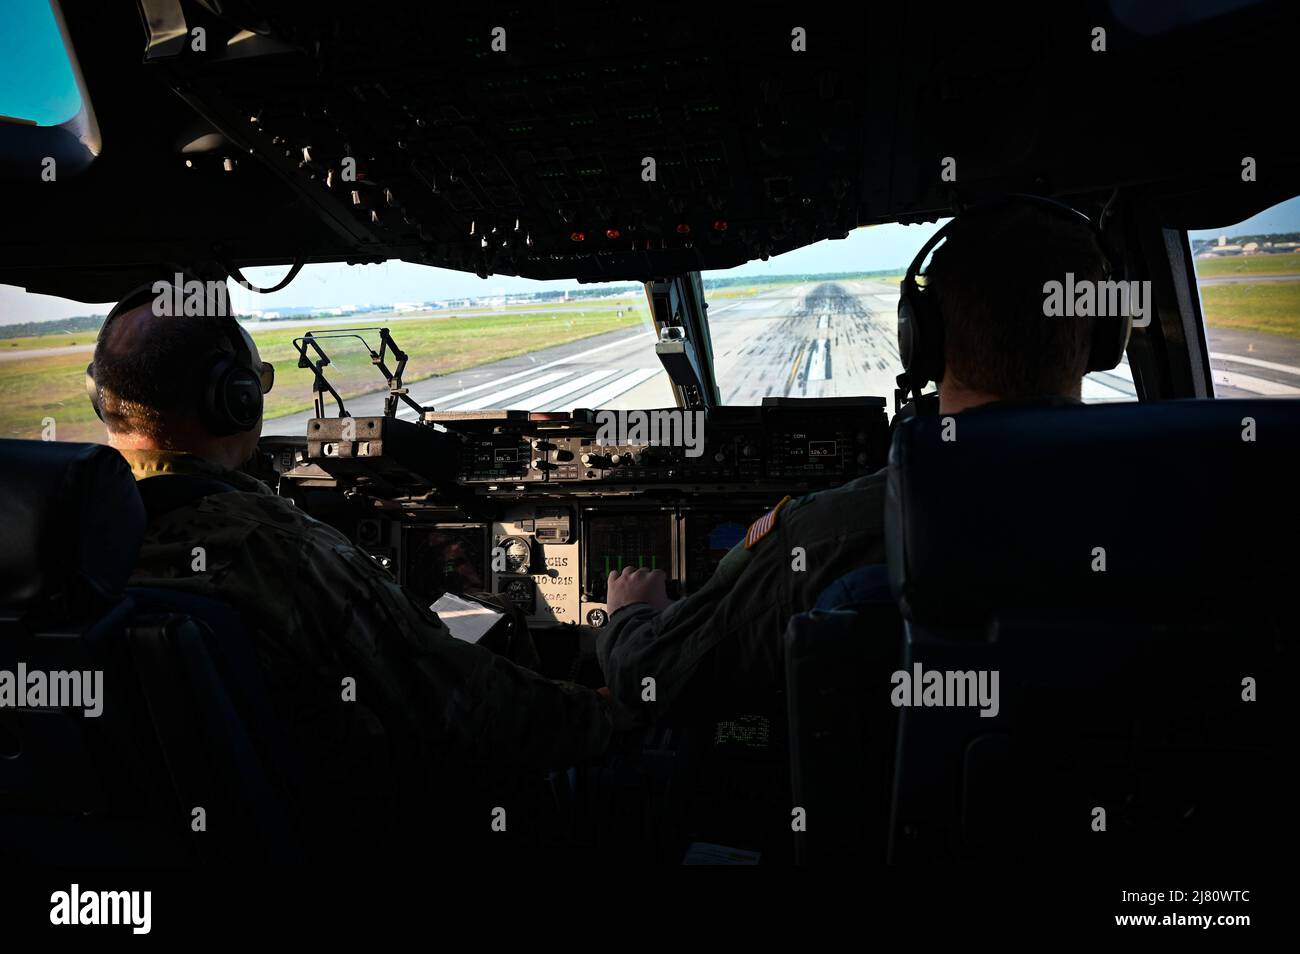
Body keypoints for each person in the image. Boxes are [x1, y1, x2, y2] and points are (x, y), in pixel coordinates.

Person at [86, 282, 614, 856]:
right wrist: (616, 699)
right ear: (234, 399)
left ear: (100, 397)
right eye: (257, 382)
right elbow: (474, 716)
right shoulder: (282, 550)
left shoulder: (50, 540)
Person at [598, 198, 1120, 721]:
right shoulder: (1175, 502)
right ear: (1104, 336)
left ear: (921, 340)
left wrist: (629, 615)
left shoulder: (833, 535)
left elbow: (648, 678)